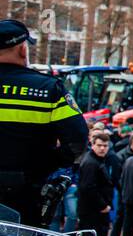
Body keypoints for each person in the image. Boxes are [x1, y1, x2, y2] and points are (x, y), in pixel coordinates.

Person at [0, 19, 88, 225]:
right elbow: (78, 141)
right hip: (26, 193)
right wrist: (48, 163)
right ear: (23, 49)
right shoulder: (48, 89)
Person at [76, 131, 115, 236]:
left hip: (94, 210)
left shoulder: (96, 161)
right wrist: (102, 205)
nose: (102, 148)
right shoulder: (91, 163)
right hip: (93, 211)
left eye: (105, 145)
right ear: (93, 145)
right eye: (99, 145)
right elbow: (87, 187)